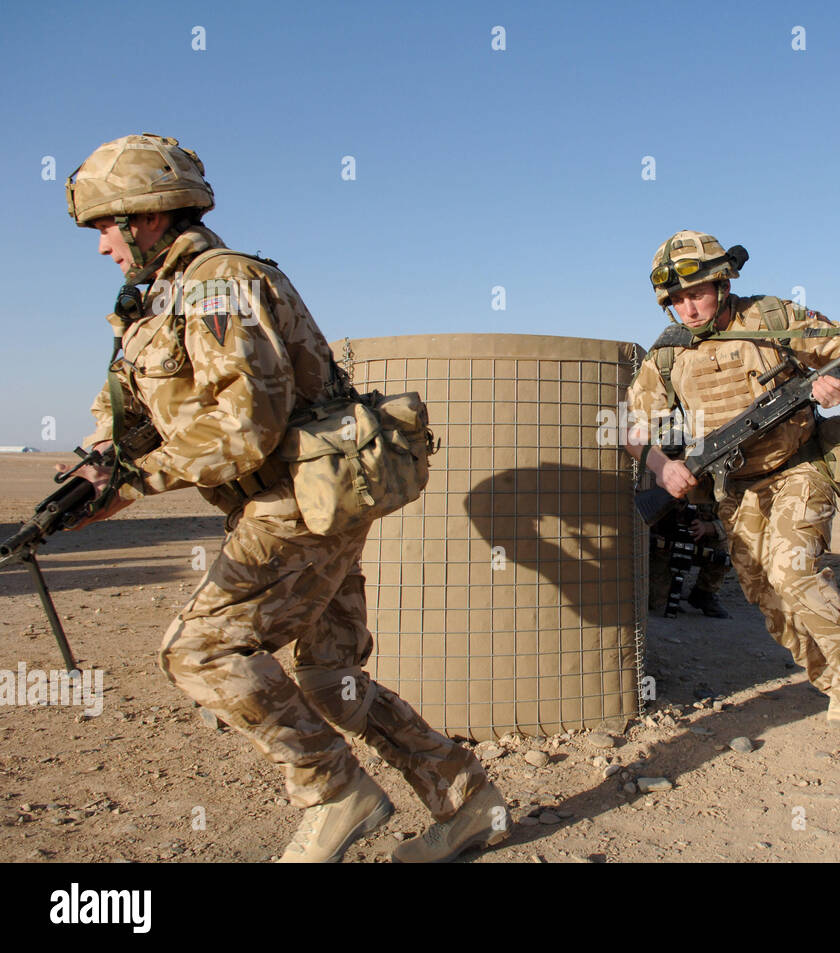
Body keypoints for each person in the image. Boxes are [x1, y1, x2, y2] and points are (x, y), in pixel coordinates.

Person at [63, 133, 509, 862]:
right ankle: (470, 802)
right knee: (330, 680)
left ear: (145, 213)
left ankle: (336, 793)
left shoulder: (217, 283)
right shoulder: (160, 300)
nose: (105, 245)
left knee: (201, 650)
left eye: (107, 226)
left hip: (297, 501)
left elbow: (247, 429)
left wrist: (133, 484)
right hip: (304, 500)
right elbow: (140, 413)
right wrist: (99, 466)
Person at [623, 230, 840, 749]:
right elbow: (633, 429)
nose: (689, 306)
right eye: (677, 299)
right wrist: (661, 466)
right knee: (765, 594)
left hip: (798, 465)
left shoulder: (771, 318)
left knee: (794, 569)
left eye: (697, 292)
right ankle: (834, 684)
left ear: (723, 284)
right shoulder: (667, 354)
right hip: (733, 486)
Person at [648, 501, 731, 618]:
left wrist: (709, 527)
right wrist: (649, 534)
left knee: (727, 547)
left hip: (700, 541)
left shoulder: (718, 489)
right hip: (665, 545)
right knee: (654, 601)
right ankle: (668, 589)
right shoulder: (664, 484)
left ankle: (705, 593)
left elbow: (735, 521)